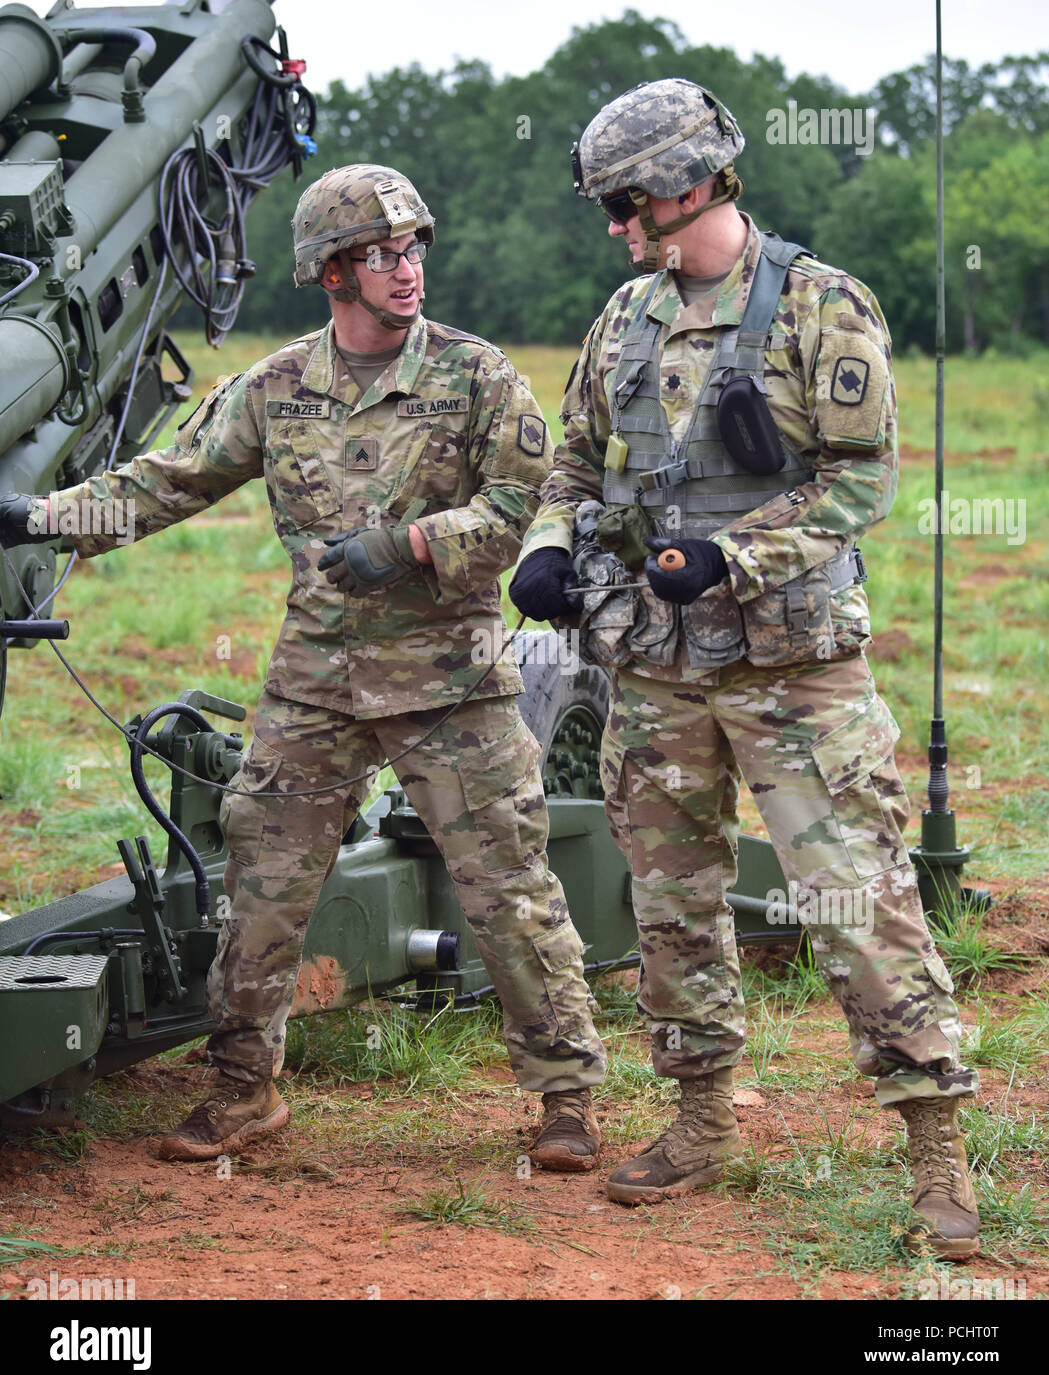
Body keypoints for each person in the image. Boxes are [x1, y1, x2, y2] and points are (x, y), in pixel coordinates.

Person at [0, 164, 605, 1171]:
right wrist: (40, 518)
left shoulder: (475, 377)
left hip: (449, 682)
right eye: (380, 253)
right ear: (331, 271)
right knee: (259, 887)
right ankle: (243, 1091)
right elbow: (169, 482)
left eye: (413, 248)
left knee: (508, 887)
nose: (405, 270)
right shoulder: (277, 387)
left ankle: (565, 1098)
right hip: (315, 684)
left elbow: (521, 507)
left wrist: (409, 545)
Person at [508, 80, 980, 1260]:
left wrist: (735, 553)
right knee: (669, 904)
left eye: (626, 202)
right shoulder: (622, 315)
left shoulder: (820, 304)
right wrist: (548, 548)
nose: (616, 224)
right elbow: (571, 465)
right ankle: (698, 1119)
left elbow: (862, 477)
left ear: (690, 183)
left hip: (789, 667)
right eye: (608, 206)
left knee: (855, 902)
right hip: (655, 667)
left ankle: (934, 1153)